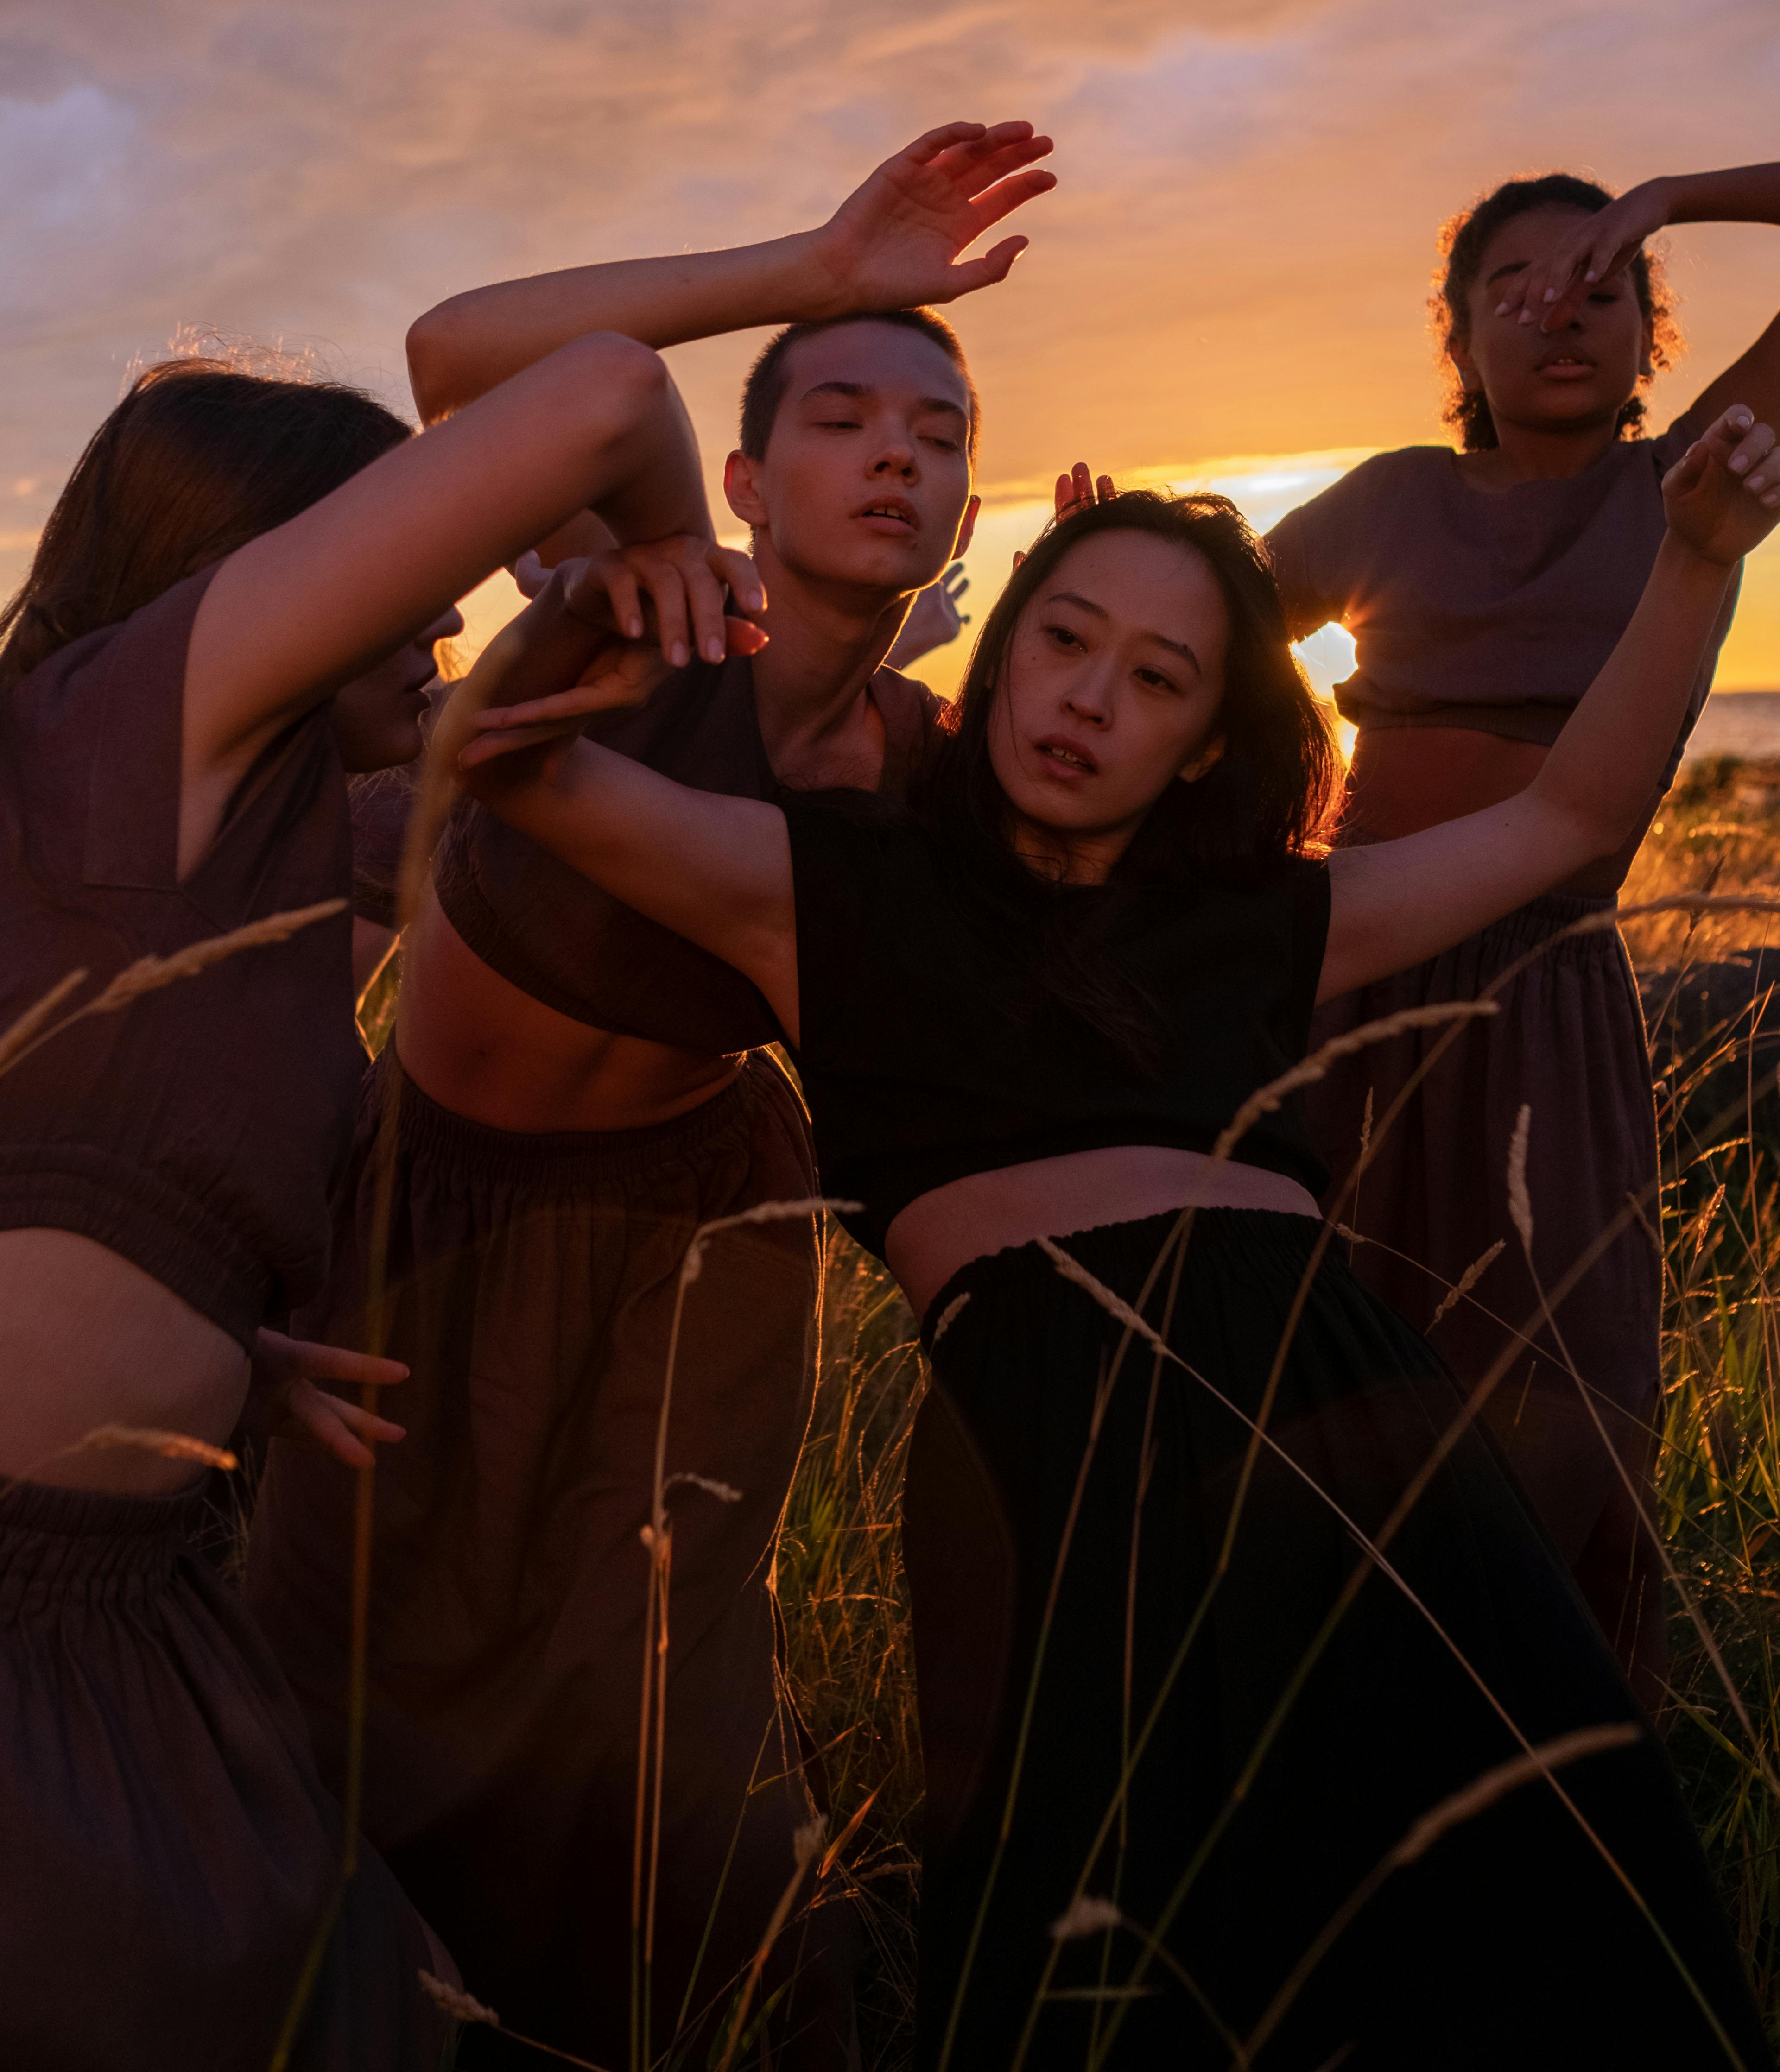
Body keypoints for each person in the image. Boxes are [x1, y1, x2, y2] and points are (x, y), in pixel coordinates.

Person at [448, 412, 1780, 2071]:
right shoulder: (831, 888)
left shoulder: (1267, 920)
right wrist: (612, 590)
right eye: (1064, 641)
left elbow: (1570, 820)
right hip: (1044, 1445)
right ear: (1000, 656)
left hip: (1352, 1440)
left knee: (1518, 1944)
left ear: (1208, 744)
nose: (1087, 697)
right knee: (1107, 1969)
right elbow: (502, 754)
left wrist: (1697, 553)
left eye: (1157, 678)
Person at [245, 119, 1055, 2067]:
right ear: (753, 480)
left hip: (684, 1259)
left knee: (649, 1734)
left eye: (934, 438)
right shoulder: (650, 594)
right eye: (846, 413)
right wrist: (819, 266)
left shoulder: (932, 776)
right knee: (342, 1684)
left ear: (963, 509)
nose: (894, 454)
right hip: (416, 1214)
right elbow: (459, 353)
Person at [0, 323, 739, 2072]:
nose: (441, 623)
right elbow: (610, 389)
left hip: (141, 1603)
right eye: (401, 576)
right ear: (267, 580)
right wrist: (681, 527)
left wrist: (212, 1336)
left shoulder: (211, 830)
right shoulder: (121, 723)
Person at [1262, 157, 1780, 1701]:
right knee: (1328, 1403)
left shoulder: (1689, 484)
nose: (1559, 311)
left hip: (1549, 1000)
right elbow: (1189, 635)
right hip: (1339, 987)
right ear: (1459, 340)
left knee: (1562, 1406)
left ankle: (1557, 1784)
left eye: (1600, 283)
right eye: (1514, 288)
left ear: (1649, 333)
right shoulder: (1389, 498)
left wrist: (1673, 195)